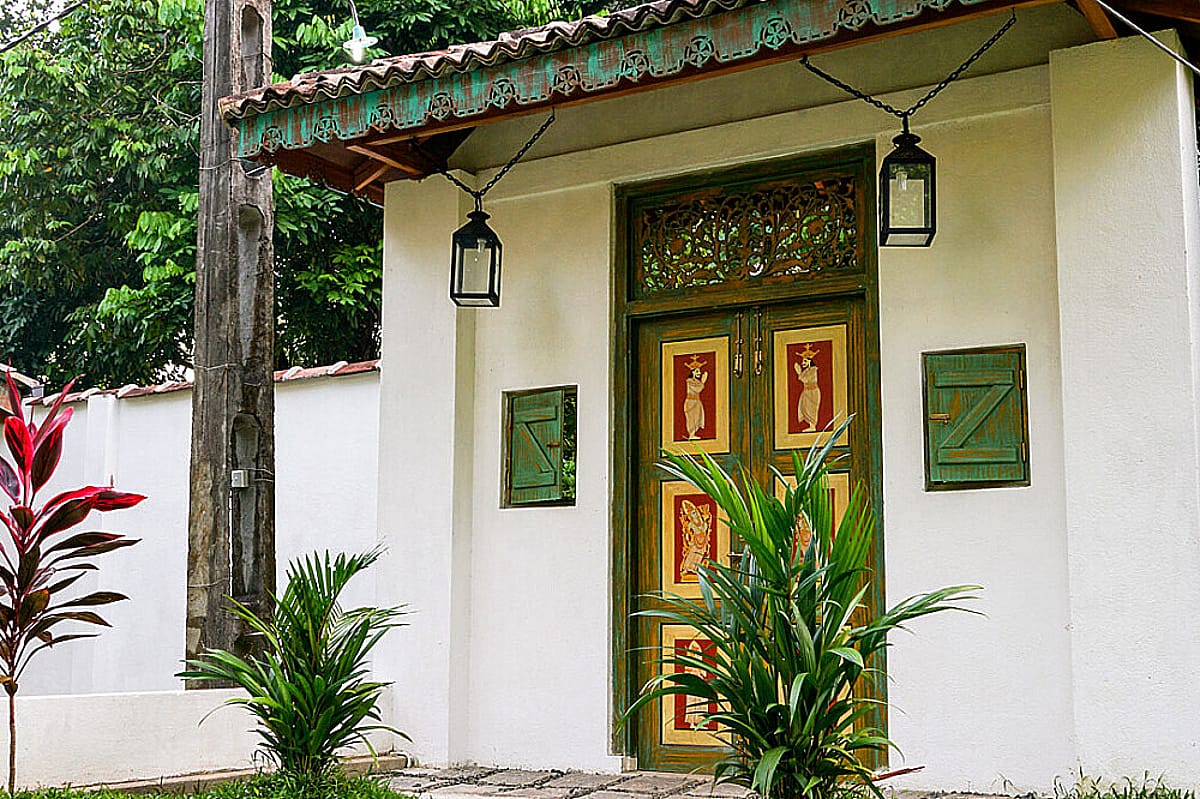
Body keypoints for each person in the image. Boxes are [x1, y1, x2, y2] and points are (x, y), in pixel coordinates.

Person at [794, 343, 821, 431]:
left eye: (805, 361)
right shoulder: (806, 370)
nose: (803, 363)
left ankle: (812, 426)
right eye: (803, 361)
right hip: (806, 391)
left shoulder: (813, 370)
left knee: (811, 409)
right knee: (804, 407)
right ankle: (810, 426)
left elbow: (805, 380)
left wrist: (798, 372)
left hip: (812, 392)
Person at [682, 355, 709, 439]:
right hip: (691, 402)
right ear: (693, 372)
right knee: (691, 419)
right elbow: (698, 389)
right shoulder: (689, 381)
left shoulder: (696, 381)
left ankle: (693, 434)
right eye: (697, 371)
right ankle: (691, 434)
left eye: (699, 371)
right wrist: (703, 381)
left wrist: (701, 382)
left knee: (697, 418)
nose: (699, 373)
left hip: (697, 402)